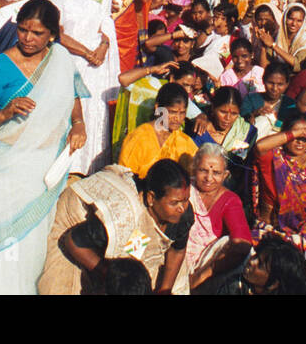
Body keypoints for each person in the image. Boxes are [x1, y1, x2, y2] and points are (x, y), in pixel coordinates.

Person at [0, 0, 89, 295]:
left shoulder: (60, 59)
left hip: (41, 172)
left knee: (30, 250)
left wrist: (79, 124)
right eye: (22, 30)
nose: (28, 39)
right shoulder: (0, 66)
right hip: (3, 173)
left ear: (53, 35)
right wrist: (5, 113)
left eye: (37, 33)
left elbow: (73, 96)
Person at [39, 159, 193, 295]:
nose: (182, 207)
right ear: (151, 198)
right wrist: (111, 275)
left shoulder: (181, 214)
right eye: (174, 203)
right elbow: (73, 241)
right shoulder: (123, 216)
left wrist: (164, 290)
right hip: (76, 223)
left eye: (185, 200)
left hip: (124, 232)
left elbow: (177, 249)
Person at [49, 0, 120, 174]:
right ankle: (70, 166)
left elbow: (106, 23)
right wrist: (87, 53)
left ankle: (93, 164)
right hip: (72, 60)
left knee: (95, 109)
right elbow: (57, 34)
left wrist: (103, 46)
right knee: (74, 107)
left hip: (98, 61)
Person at [252, 116, 306, 257]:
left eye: (305, 138)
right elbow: (260, 146)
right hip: (271, 230)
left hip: (302, 231)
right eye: (296, 136)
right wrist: (299, 132)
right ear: (285, 135)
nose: (300, 142)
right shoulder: (272, 157)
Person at [184, 143, 254, 278]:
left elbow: (243, 244)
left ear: (225, 175)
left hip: (206, 267)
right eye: (203, 170)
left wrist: (202, 276)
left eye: (216, 173)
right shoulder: (183, 187)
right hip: (174, 256)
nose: (209, 178)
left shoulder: (230, 201)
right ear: (194, 169)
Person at [118, 82, 198, 177]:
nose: (177, 118)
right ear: (158, 108)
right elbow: (124, 175)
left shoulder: (185, 142)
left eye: (182, 113)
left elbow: (195, 173)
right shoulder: (139, 137)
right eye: (173, 112)